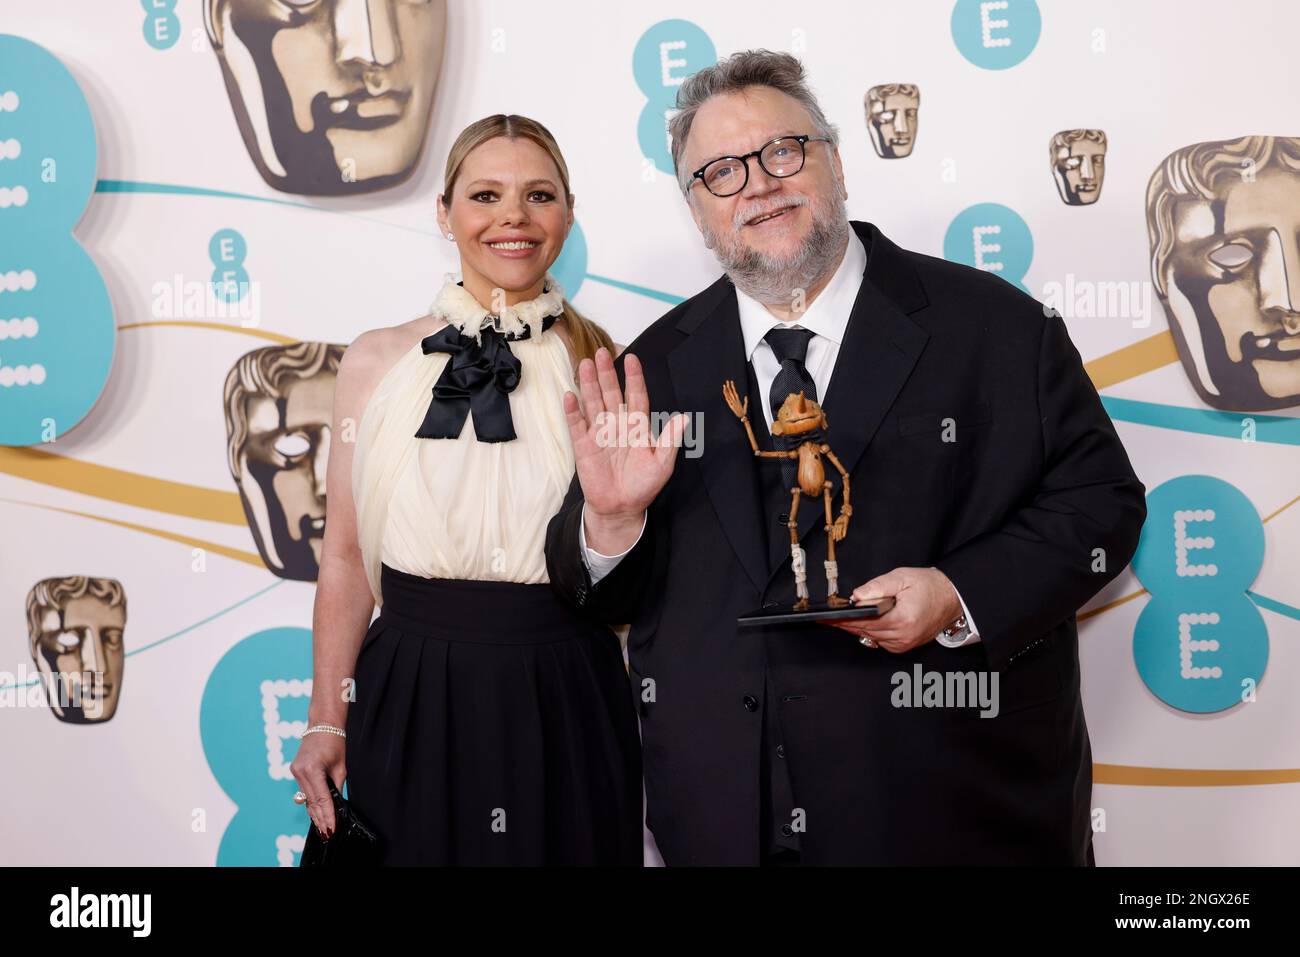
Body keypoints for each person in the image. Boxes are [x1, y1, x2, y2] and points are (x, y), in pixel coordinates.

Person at [544, 50, 1148, 865]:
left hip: (955, 815)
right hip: (727, 824)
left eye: (782, 152)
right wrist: (612, 520)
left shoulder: (996, 328)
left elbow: (1102, 505)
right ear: (696, 209)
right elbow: (592, 589)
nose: (757, 183)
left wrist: (957, 593)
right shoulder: (655, 367)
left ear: (835, 160)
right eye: (720, 171)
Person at [291, 114, 643, 865]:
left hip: (568, 692)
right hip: (411, 694)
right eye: (486, 194)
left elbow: (630, 569)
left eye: (538, 195)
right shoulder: (374, 360)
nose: (513, 216)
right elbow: (347, 560)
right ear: (444, 212)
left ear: (569, 214)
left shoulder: (606, 364)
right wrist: (327, 717)